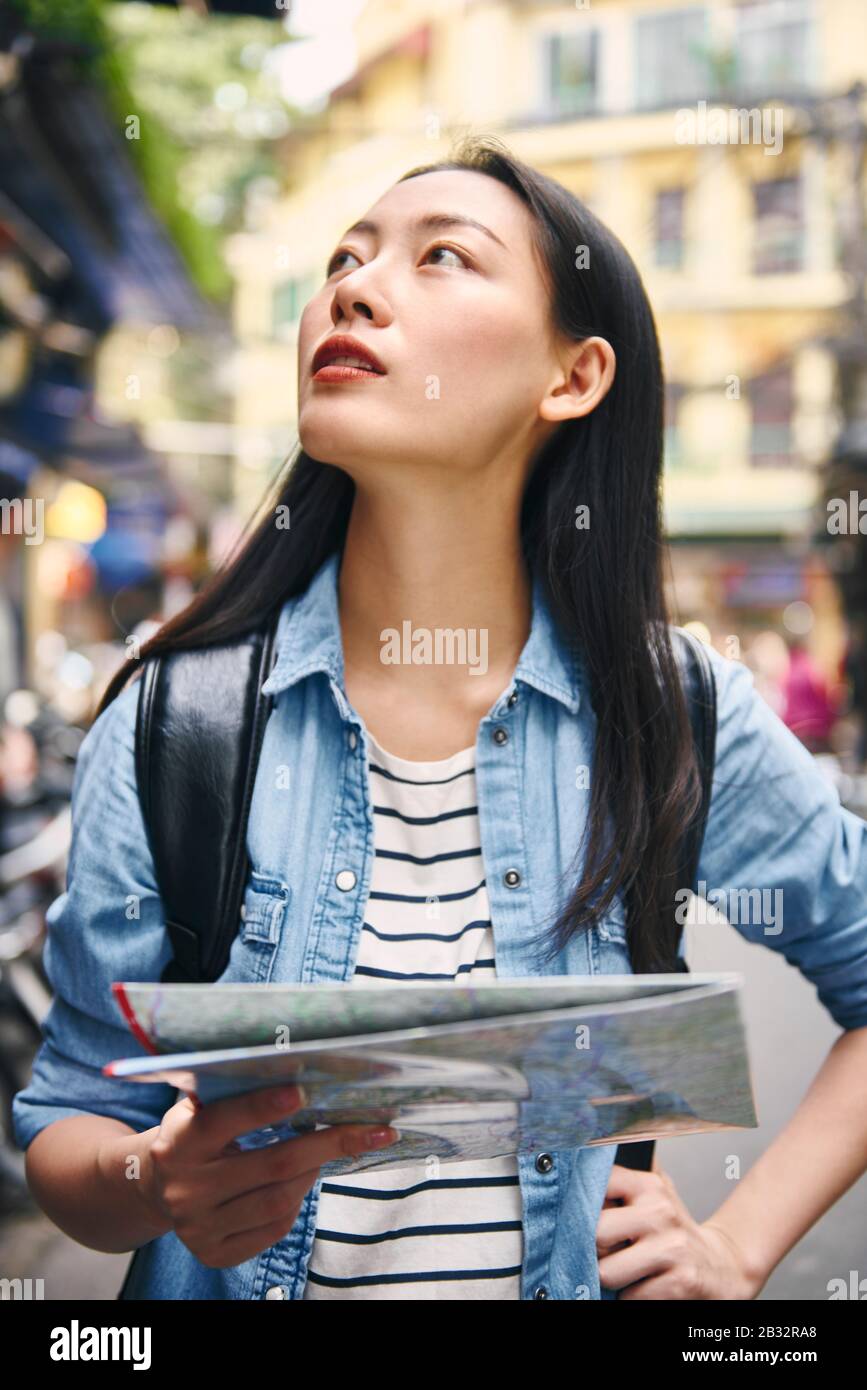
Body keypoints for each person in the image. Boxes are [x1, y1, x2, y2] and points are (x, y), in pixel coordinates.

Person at [13, 136, 867, 1301]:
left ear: (572, 378)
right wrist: (153, 1177)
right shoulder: (177, 717)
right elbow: (69, 1129)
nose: (351, 290)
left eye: (443, 259)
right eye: (344, 259)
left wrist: (738, 1242)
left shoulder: (668, 708)